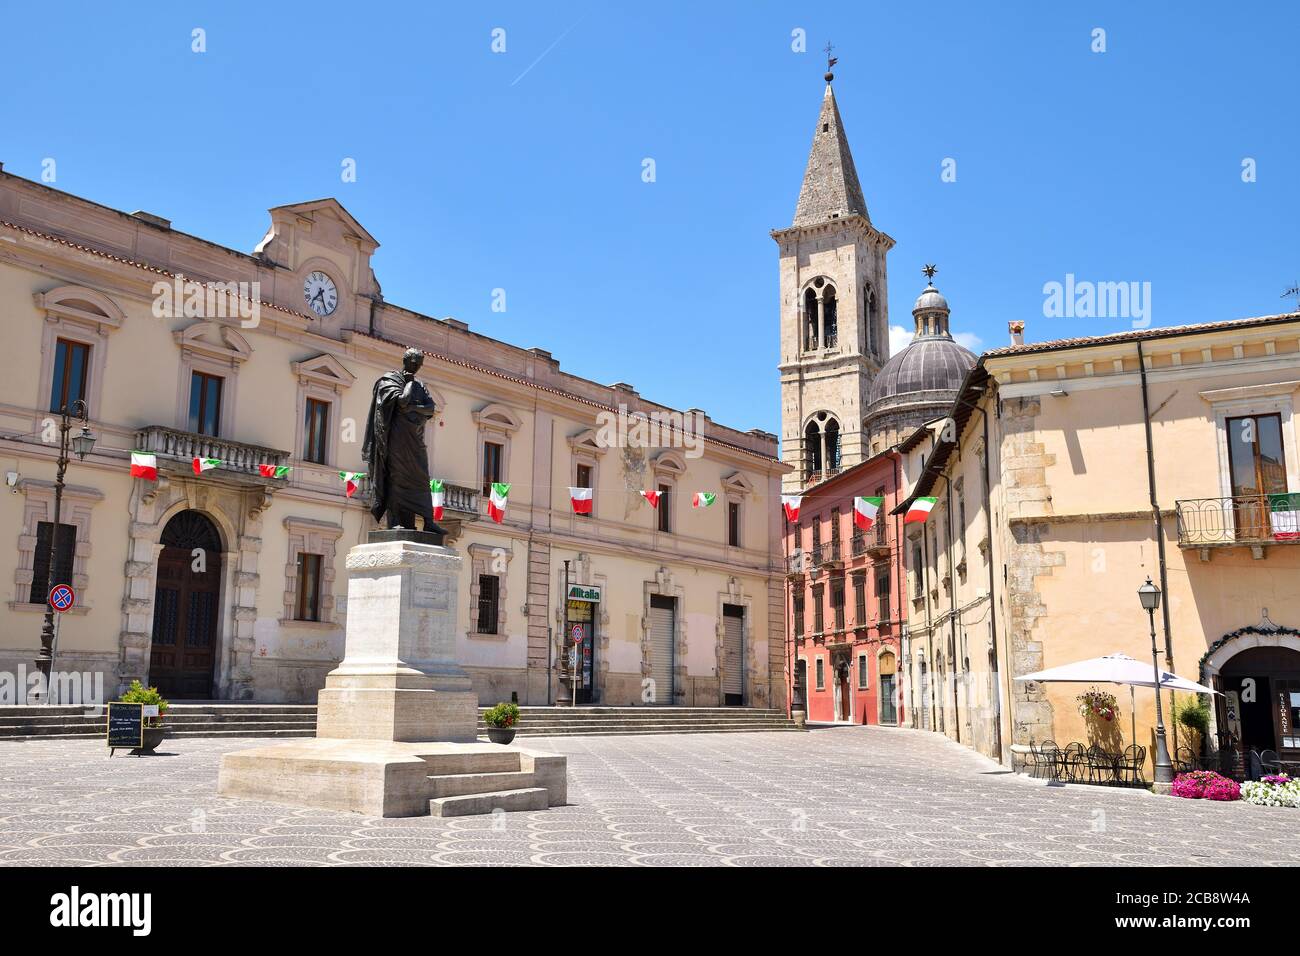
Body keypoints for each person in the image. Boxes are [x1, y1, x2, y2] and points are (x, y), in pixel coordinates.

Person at [362, 347, 446, 534]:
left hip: (415, 440)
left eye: (419, 365)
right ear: (406, 361)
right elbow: (401, 401)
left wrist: (411, 407)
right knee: (397, 477)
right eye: (414, 363)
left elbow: (430, 408)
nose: (416, 368)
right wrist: (409, 387)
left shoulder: (419, 384)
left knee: (422, 479)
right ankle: (397, 521)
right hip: (395, 440)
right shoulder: (389, 380)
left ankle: (428, 521)